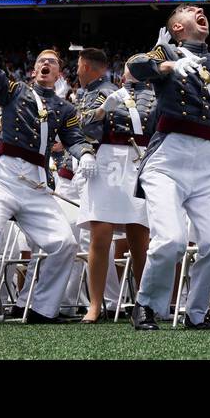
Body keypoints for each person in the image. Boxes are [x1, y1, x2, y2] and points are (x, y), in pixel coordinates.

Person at [0, 14, 88, 324]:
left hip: (38, 184)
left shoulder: (65, 108)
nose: (46, 64)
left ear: (59, 73)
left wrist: (85, 155)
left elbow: (75, 138)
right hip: (4, 177)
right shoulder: (14, 91)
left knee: (64, 243)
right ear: (33, 70)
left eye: (52, 62)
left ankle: (41, 308)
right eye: (41, 60)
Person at [128, 7, 210, 329]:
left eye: (201, 10)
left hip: (207, 161)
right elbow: (134, 67)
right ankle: (146, 306)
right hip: (168, 159)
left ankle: (196, 313)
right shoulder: (166, 50)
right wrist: (167, 65)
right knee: (171, 240)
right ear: (178, 27)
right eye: (190, 11)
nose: (200, 11)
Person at [73, 47, 148, 323]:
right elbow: (78, 123)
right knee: (101, 234)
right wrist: (103, 111)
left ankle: (143, 301)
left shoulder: (155, 94)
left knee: (139, 237)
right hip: (108, 160)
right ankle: (95, 304)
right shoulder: (100, 91)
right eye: (130, 64)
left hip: (139, 161)